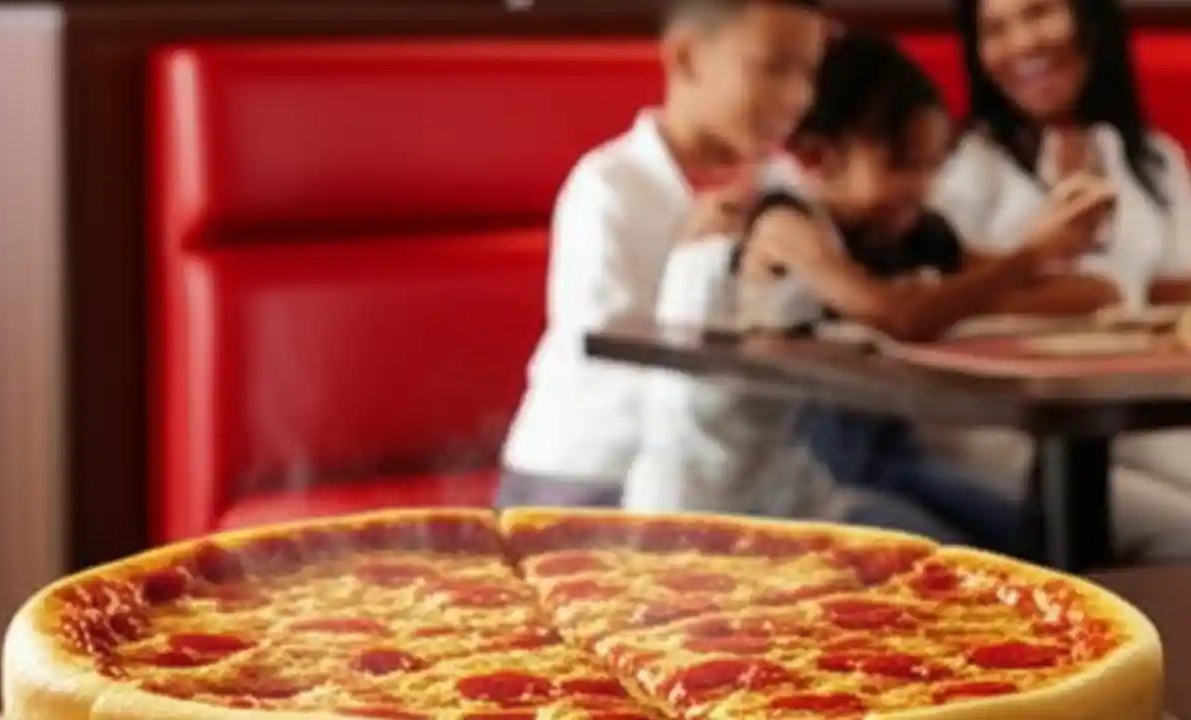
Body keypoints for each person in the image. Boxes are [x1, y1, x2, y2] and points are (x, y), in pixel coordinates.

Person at [624, 30, 1109, 549]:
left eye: (931, 167)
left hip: (822, 477)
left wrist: (1035, 258)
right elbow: (893, 315)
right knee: (955, 564)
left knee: (1034, 539)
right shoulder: (781, 223)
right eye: (900, 164)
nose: (920, 188)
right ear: (817, 157)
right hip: (721, 504)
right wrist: (1028, 256)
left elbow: (1096, 293)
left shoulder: (904, 230)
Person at [498, 0, 825, 508]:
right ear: (688, 57)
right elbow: (610, 354)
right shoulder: (611, 186)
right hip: (590, 474)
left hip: (729, 475)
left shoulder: (787, 186)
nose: (798, 97)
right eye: (773, 68)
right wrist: (693, 263)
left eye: (809, 72)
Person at [926, 0, 1191, 561]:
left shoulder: (1152, 159)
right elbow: (929, 289)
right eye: (995, 29)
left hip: (1127, 409)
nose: (1022, 43)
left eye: (1039, 13)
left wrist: (1109, 293)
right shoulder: (959, 162)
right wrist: (1097, 290)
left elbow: (1177, 284)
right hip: (994, 426)